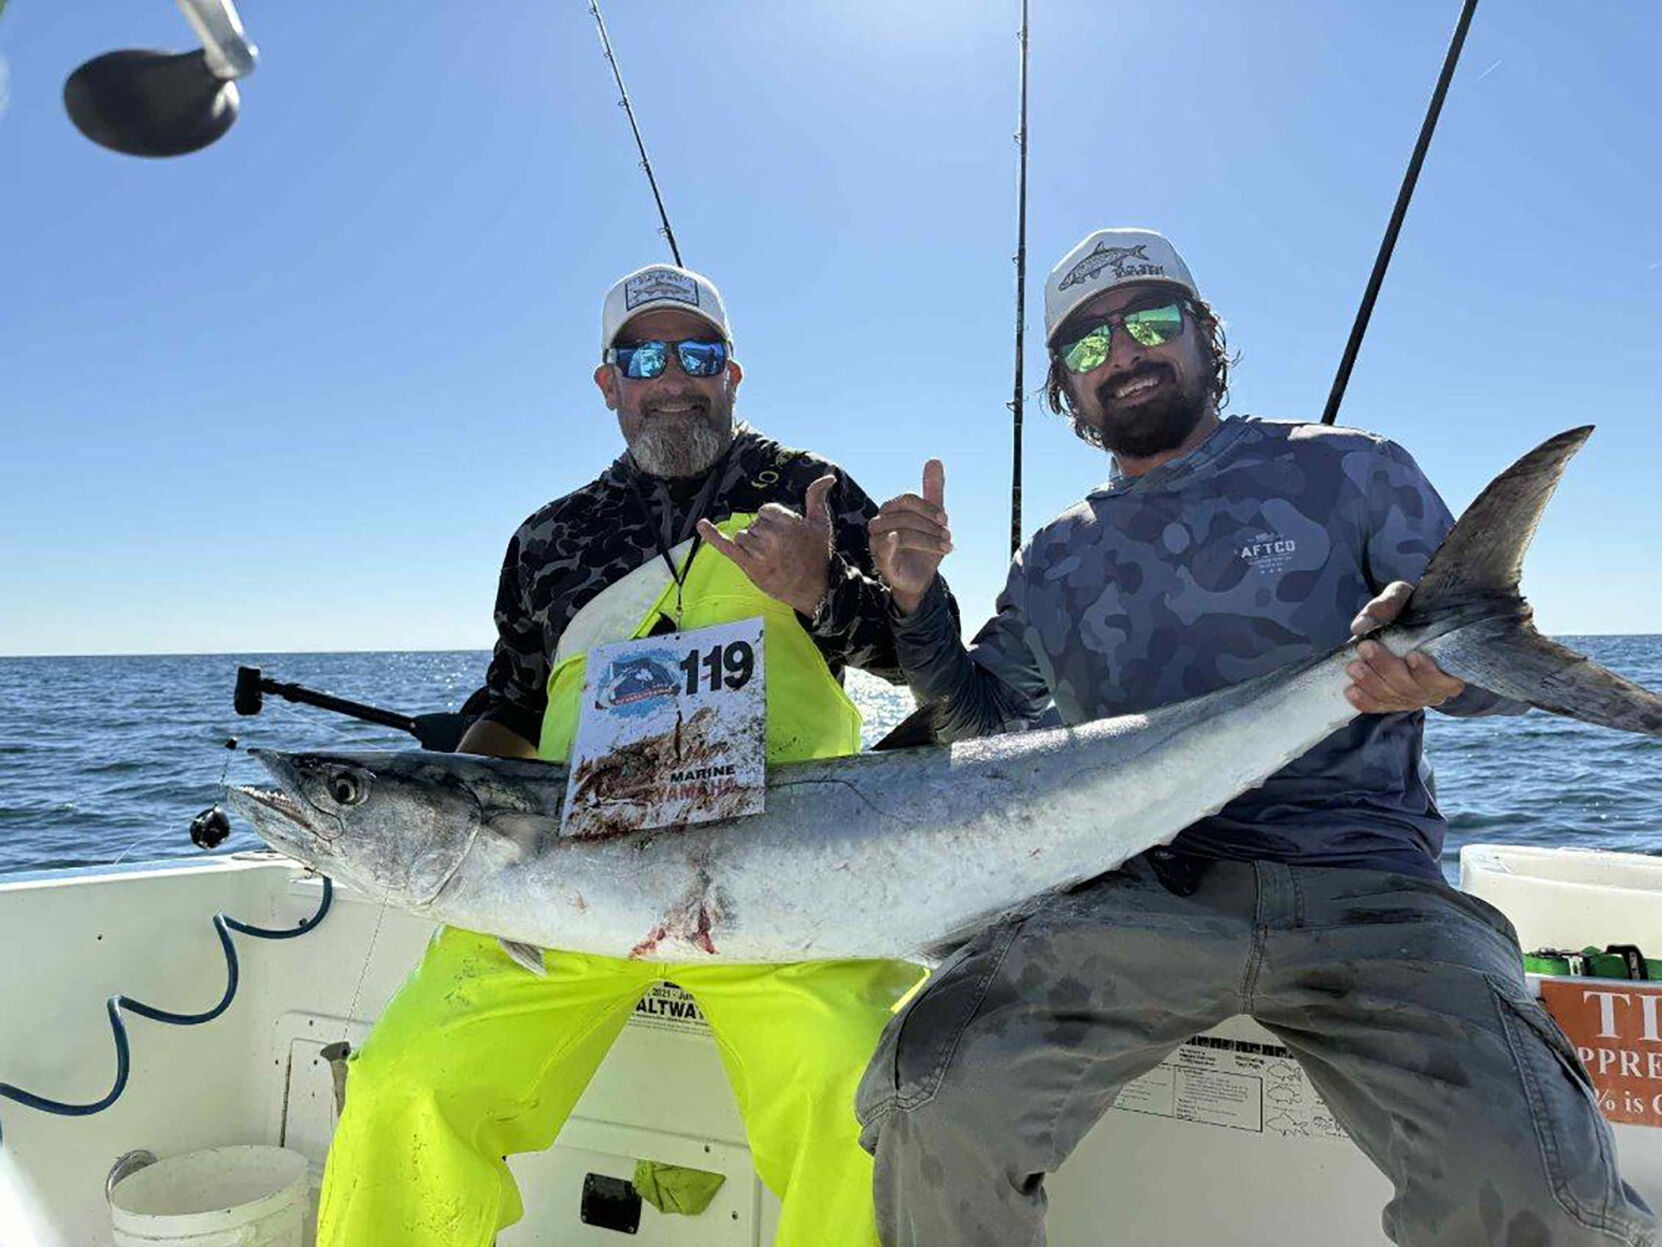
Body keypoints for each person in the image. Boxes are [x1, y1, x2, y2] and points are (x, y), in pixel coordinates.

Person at [851, 229, 1657, 1245]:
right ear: (1063, 386)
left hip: (1370, 888)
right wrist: (917, 602)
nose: (1125, 353)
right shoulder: (1057, 556)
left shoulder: (1351, 470)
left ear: (1205, 334)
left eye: (1150, 321)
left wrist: (1439, 669)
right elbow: (984, 726)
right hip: (1139, 891)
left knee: (1537, 1180)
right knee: (928, 1093)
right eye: (1088, 344)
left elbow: (1482, 683)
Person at [315, 263, 943, 1247]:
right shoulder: (550, 537)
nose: (673, 378)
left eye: (696, 354)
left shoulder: (806, 491)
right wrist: (442, 846)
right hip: (561, 880)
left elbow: (918, 662)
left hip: (778, 880)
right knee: (405, 1081)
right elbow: (511, 703)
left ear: (732, 372)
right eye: (644, 357)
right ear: (609, 382)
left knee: (860, 1093)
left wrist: (828, 587)